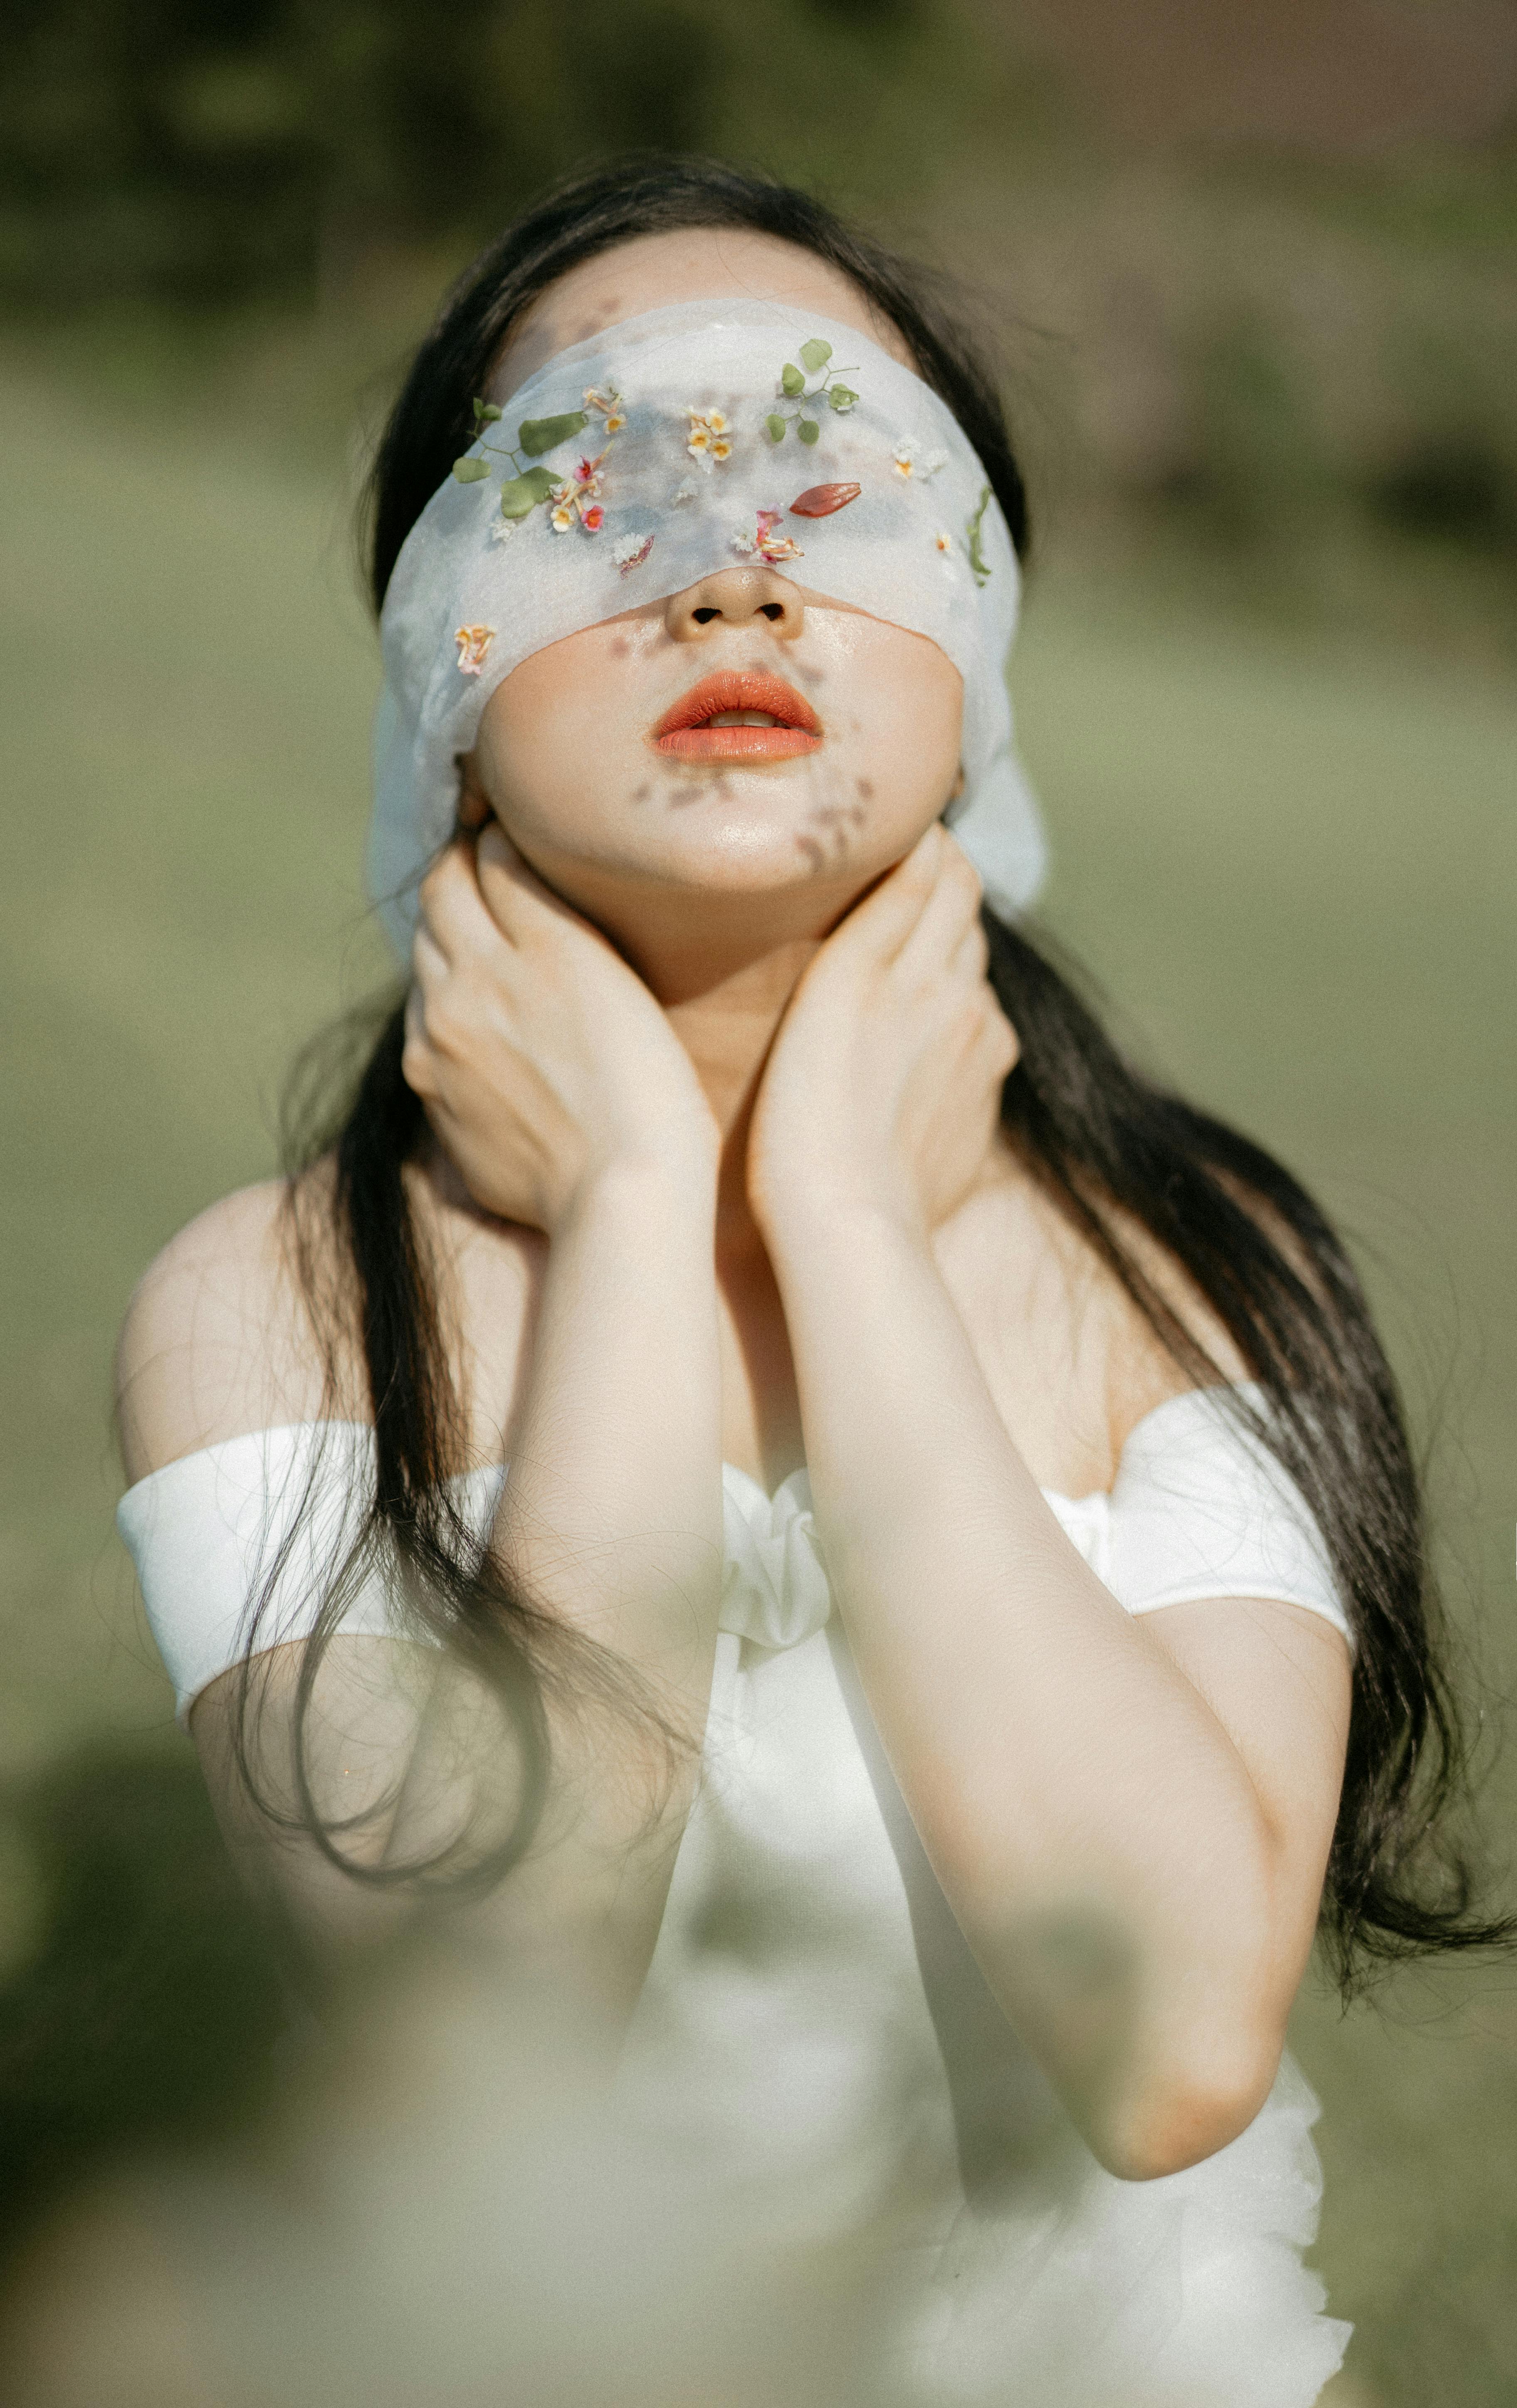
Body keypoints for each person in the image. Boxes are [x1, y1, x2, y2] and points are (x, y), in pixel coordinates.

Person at [111, 158, 1505, 2405]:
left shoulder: (1186, 1274)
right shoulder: (280, 1307)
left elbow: (1167, 2048)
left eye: (836, 476)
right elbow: (479, 2047)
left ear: (977, 642)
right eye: (587, 486)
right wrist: (647, 1208)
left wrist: (851, 1221)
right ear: (430, 676)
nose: (730, 570)